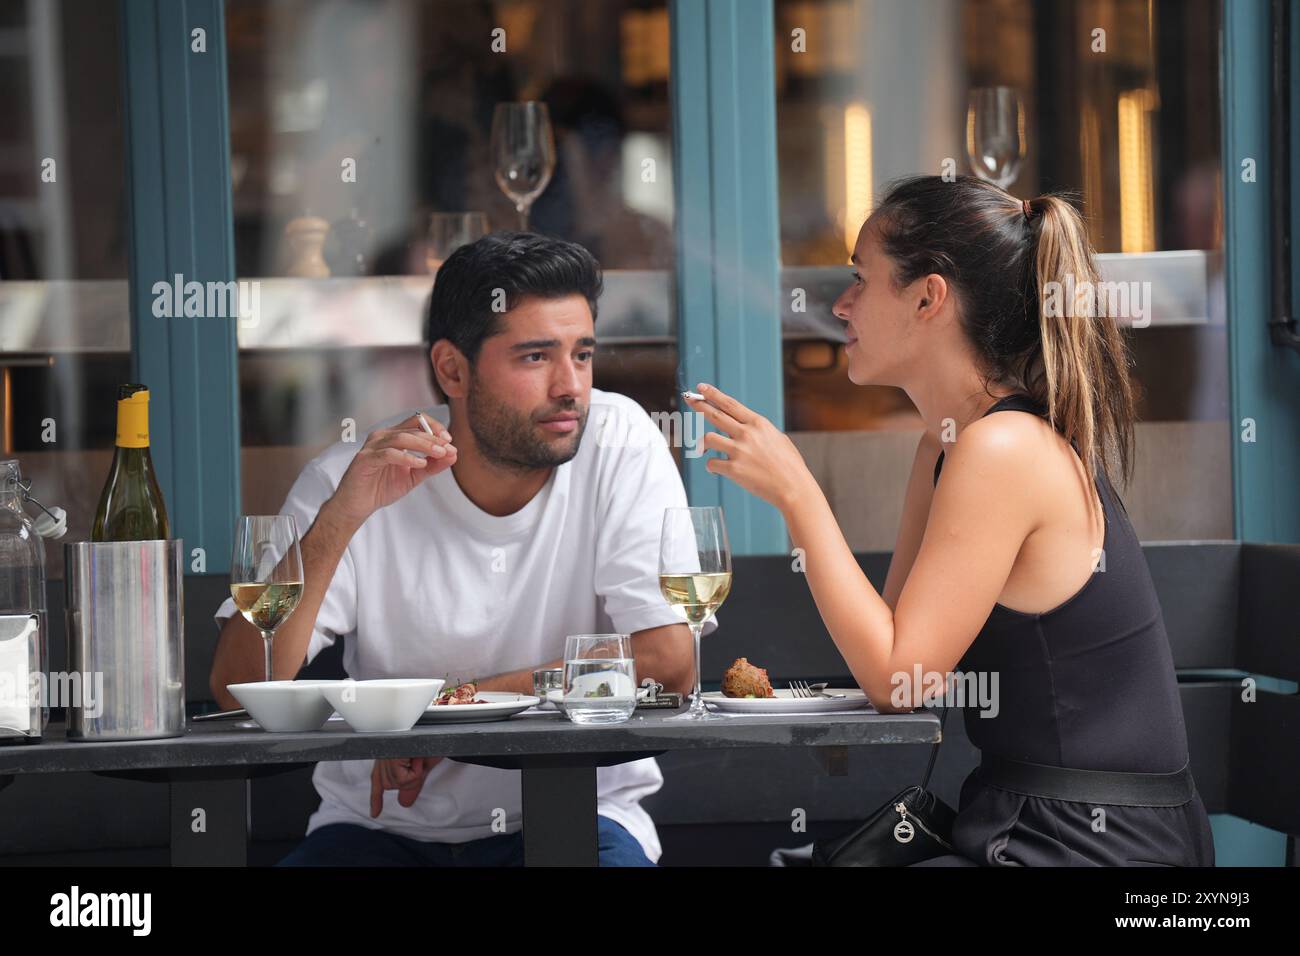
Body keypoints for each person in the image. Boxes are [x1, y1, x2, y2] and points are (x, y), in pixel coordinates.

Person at [684, 175, 1215, 866]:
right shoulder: (947, 442)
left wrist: (798, 496)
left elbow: (892, 675)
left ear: (929, 297)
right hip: (1026, 826)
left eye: (860, 279)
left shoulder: (1002, 448)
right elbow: (902, 674)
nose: (842, 304)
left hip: (1095, 842)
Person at [210, 232, 700, 866]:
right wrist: (339, 523)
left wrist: (444, 715)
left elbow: (668, 663)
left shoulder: (621, 443)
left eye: (582, 354)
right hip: (379, 832)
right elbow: (239, 687)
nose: (570, 386)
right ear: (452, 370)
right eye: (535, 357)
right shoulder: (346, 481)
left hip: (581, 819)